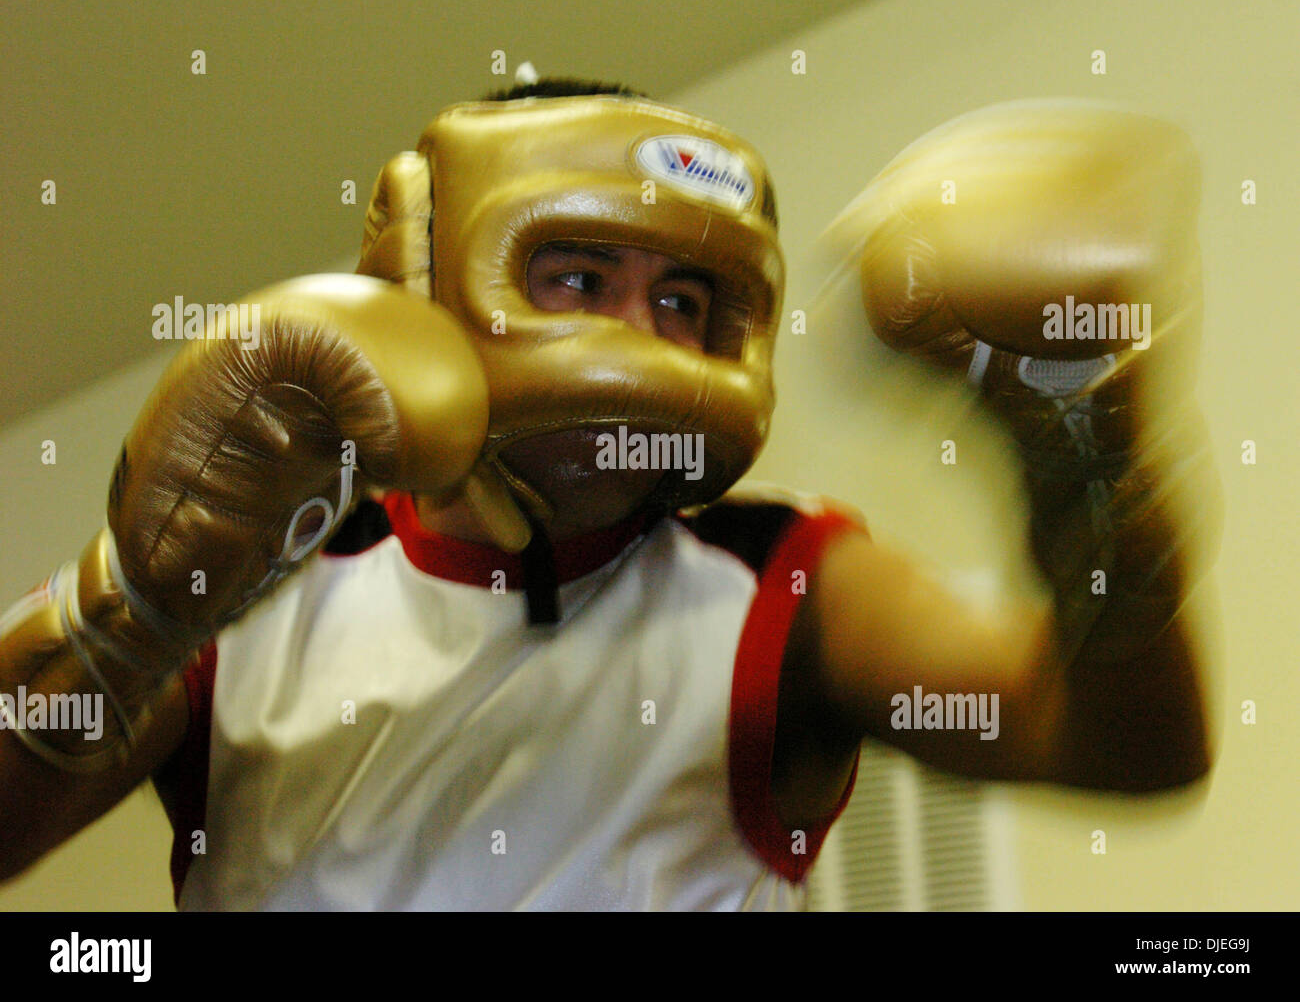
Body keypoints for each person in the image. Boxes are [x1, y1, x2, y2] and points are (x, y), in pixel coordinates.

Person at [0, 80, 1216, 910]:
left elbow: (1127, 746)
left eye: (684, 299)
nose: (643, 340)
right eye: (579, 276)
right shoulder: (270, 577)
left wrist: (1087, 458)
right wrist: (137, 606)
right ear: (425, 279)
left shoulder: (780, 585)